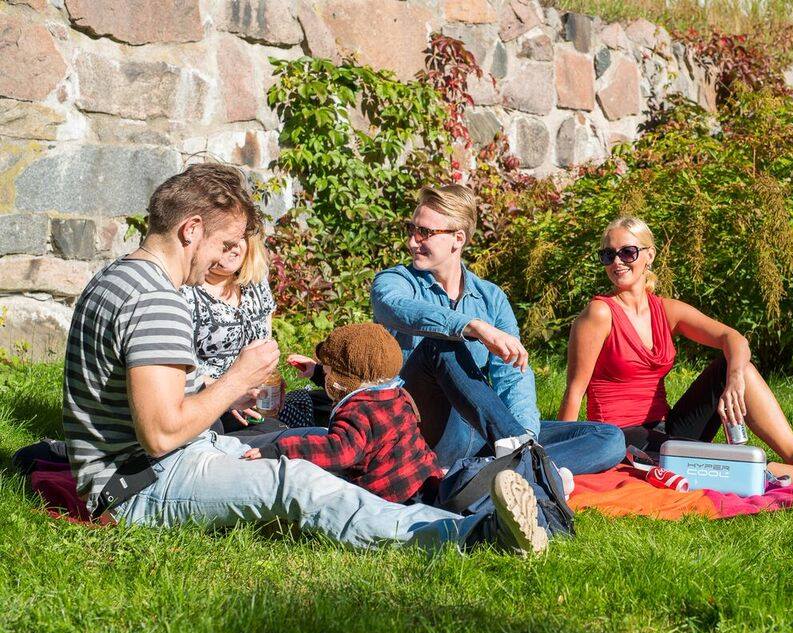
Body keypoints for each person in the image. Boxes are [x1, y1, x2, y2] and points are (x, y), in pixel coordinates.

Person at [60, 163, 547, 555]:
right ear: (190, 229)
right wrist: (235, 379)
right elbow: (161, 432)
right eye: (226, 245)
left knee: (306, 450)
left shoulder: (117, 278)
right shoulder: (156, 299)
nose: (225, 260)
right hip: (139, 487)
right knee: (299, 484)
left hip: (157, 463)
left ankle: (467, 512)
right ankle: (471, 537)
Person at [557, 216, 793, 485]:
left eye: (627, 253)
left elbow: (733, 338)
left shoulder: (666, 310)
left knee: (733, 365)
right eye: (608, 255)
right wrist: (558, 461)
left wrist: (733, 382)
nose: (617, 262)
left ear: (649, 256)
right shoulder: (599, 313)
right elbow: (574, 391)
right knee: (729, 465)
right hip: (622, 438)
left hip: (665, 429)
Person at [370, 185, 626, 474]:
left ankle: (505, 466)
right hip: (422, 430)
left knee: (609, 438)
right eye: (411, 229)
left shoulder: (490, 297)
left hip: (484, 430)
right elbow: (392, 306)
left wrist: (526, 432)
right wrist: (471, 326)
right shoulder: (395, 281)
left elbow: (513, 374)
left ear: (458, 239)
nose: (413, 241)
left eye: (425, 233)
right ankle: (532, 469)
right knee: (440, 344)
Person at [243, 323, 444, 504]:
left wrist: (278, 450)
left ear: (342, 380)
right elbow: (349, 384)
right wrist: (317, 372)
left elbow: (339, 451)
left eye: (329, 372)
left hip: (391, 498)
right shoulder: (395, 395)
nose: (327, 375)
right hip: (425, 482)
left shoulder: (357, 411)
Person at [180, 227, 282, 433]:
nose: (233, 246)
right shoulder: (186, 292)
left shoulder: (256, 280)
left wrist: (271, 381)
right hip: (207, 403)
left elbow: (265, 343)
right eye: (224, 241)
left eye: (239, 237)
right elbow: (181, 373)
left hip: (255, 400)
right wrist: (227, 394)